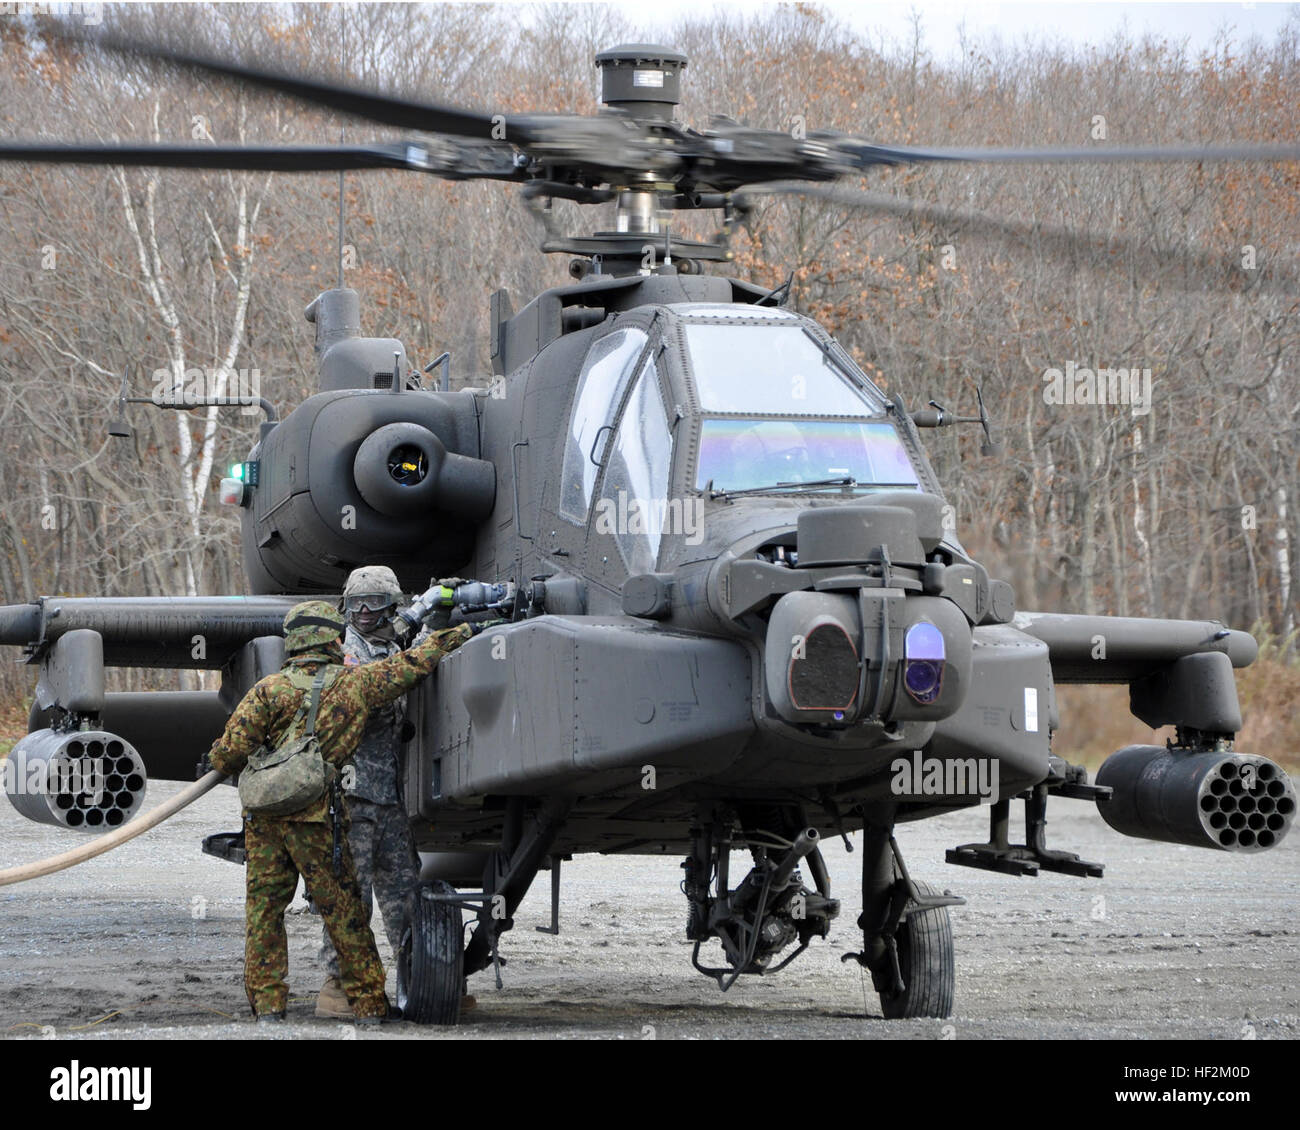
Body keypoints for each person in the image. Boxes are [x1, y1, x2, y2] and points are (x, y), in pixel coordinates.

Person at [204, 599, 473, 1023]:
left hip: (265, 823)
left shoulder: (268, 690)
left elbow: (227, 755)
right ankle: (368, 1006)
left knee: (265, 916)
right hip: (317, 821)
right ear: (333, 637)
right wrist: (457, 633)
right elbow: (414, 665)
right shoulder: (357, 684)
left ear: (293, 642)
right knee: (346, 914)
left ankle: (270, 1008)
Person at [315, 566, 467, 1018]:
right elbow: (383, 683)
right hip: (351, 794)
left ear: (390, 605)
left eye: (374, 603)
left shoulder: (390, 642)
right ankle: (336, 986)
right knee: (351, 893)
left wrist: (438, 614)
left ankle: (421, 980)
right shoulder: (345, 650)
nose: (363, 612)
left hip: (387, 797)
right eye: (357, 604)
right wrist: (433, 638)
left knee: (405, 894)